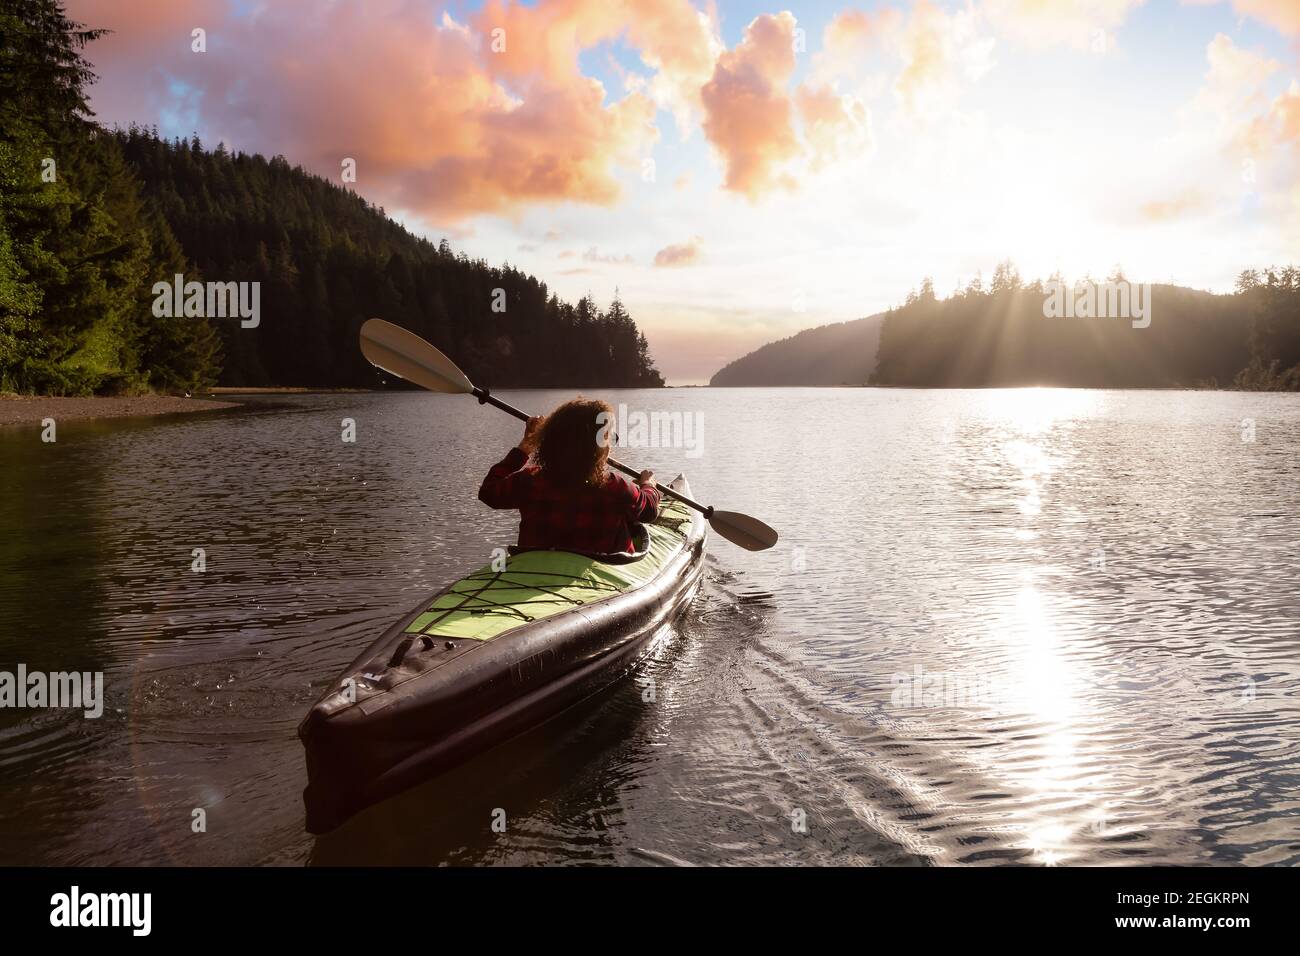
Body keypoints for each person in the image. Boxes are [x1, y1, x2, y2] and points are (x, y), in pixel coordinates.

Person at [478, 397, 660, 555]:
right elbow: (649, 510)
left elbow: (489, 493)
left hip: (535, 571)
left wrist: (524, 447)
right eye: (609, 438)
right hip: (598, 578)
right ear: (598, 448)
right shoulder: (616, 488)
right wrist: (648, 485)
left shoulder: (530, 481)